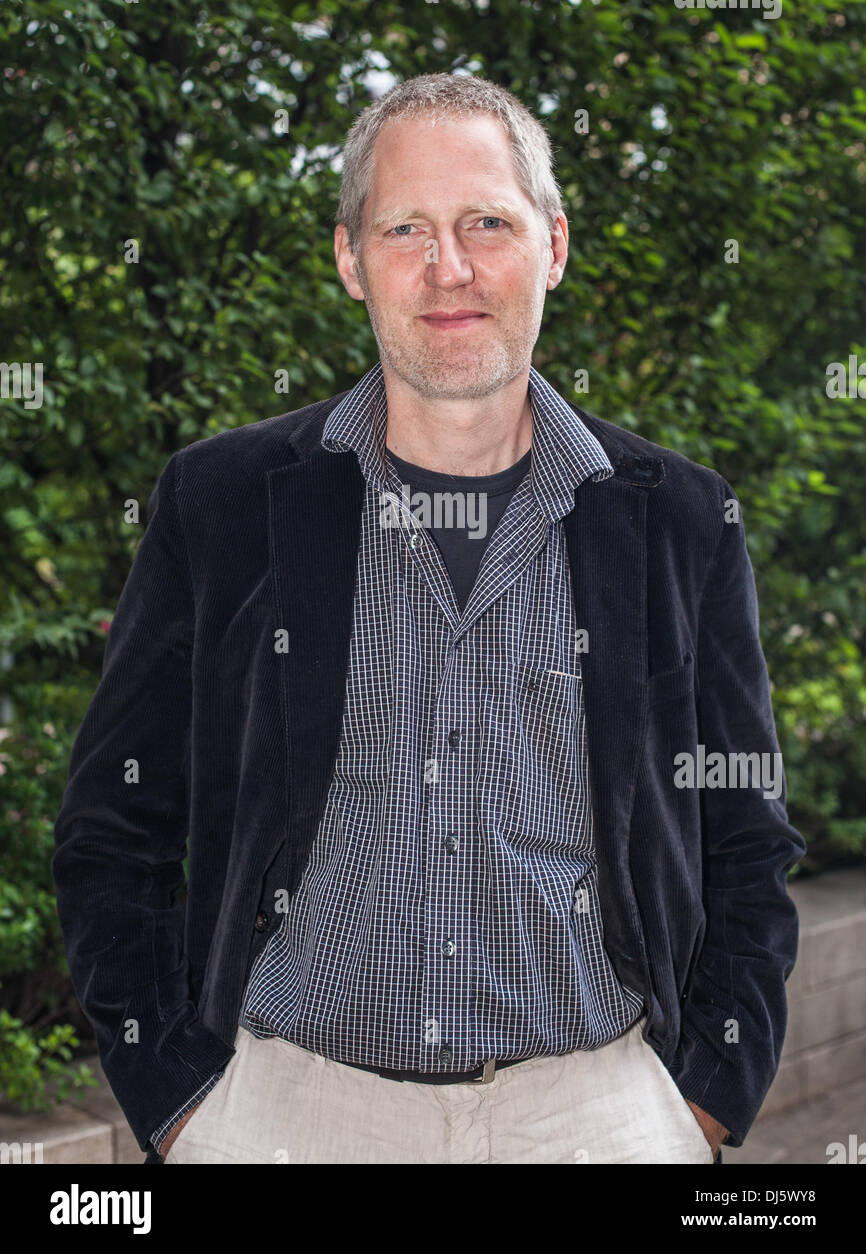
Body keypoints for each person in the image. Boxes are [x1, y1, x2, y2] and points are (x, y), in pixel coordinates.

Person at [52, 71, 805, 1165]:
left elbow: (745, 834)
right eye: (405, 227)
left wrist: (699, 1102)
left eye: (484, 223)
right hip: (290, 1116)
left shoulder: (678, 521)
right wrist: (176, 1102)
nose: (448, 267)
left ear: (550, 246)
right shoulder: (222, 504)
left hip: (597, 1114)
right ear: (351, 258)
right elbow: (111, 827)